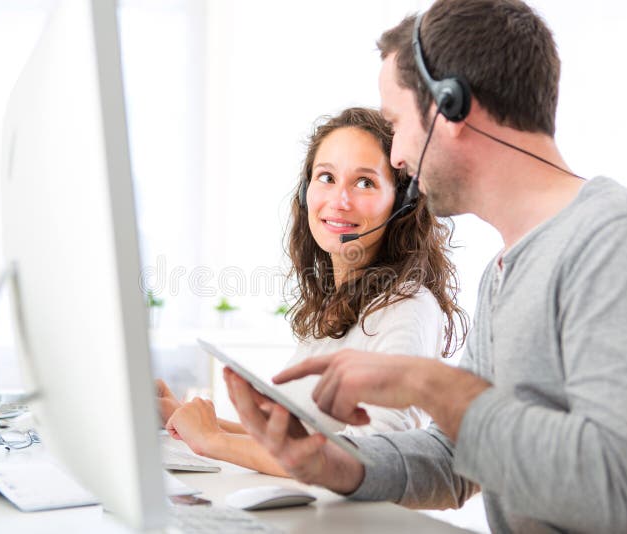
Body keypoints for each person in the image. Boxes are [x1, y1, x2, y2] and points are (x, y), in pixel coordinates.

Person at [224, 1, 627, 532]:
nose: (397, 155)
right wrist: (336, 462)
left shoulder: (621, 240)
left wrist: (433, 385)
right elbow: (457, 458)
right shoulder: (503, 271)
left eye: (397, 123)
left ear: (451, 107)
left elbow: (623, 495)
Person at [157, 107, 467, 476]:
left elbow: (370, 455)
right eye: (326, 177)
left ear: (401, 206)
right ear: (306, 192)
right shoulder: (339, 307)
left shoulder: (406, 306)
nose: (340, 200)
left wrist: (213, 441)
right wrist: (186, 418)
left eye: (365, 182)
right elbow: (306, 442)